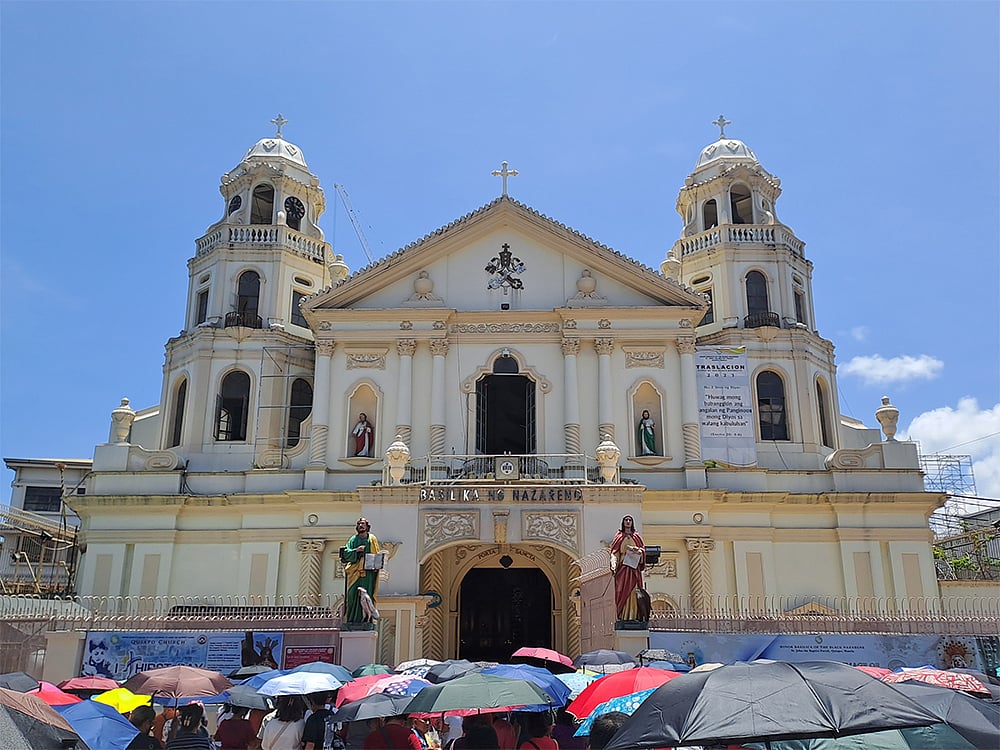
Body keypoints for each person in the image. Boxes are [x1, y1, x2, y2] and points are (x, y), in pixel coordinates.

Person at [344, 517, 381, 624]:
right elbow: (346, 552)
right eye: (359, 524)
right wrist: (356, 550)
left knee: (366, 596)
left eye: (363, 524)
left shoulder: (372, 539)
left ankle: (367, 619)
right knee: (352, 595)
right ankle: (352, 619)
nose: (361, 525)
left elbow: (376, 554)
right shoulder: (353, 539)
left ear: (367, 526)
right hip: (355, 572)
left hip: (368, 573)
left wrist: (376, 566)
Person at [609, 515, 646, 622]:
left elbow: (643, 550)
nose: (628, 522)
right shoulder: (619, 536)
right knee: (621, 590)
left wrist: (639, 551)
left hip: (634, 568)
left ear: (632, 522)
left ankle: (633, 616)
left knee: (634, 592)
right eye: (626, 520)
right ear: (623, 522)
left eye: (630, 520)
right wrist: (613, 564)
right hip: (623, 568)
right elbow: (614, 552)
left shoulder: (637, 536)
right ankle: (622, 615)